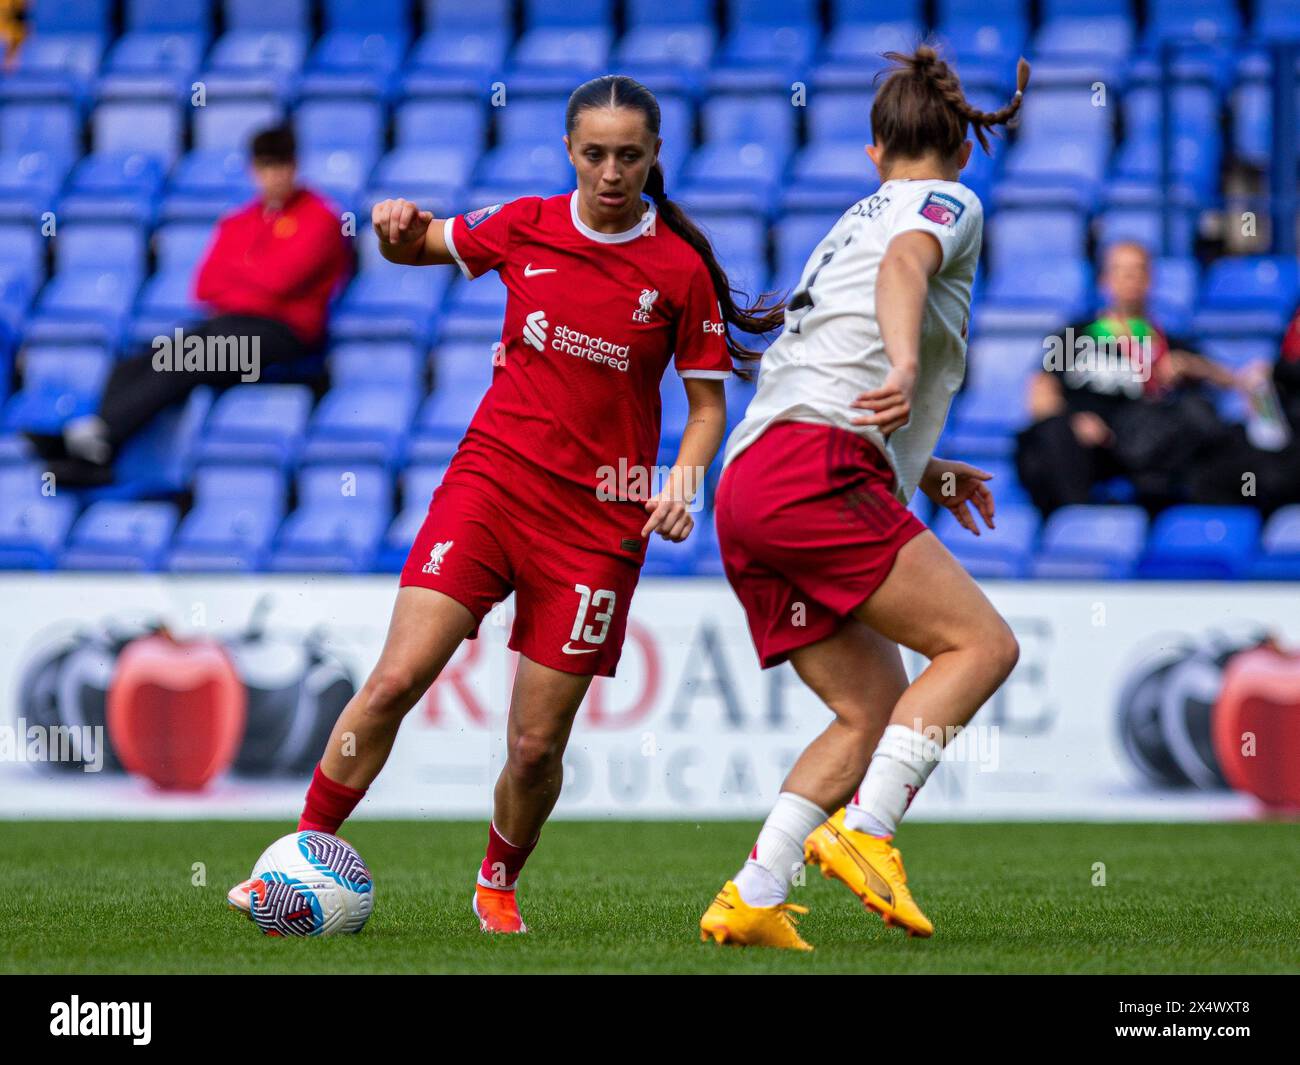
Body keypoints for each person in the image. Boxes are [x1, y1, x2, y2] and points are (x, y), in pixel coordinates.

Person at [227, 75, 781, 934]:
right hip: (491, 485)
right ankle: (299, 856)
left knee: (533, 749)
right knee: (393, 681)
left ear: (655, 157)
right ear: (569, 151)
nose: (609, 171)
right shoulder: (523, 224)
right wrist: (395, 229)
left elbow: (707, 406)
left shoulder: (677, 271)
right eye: (593, 153)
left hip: (599, 525)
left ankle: (496, 881)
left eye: (628, 155)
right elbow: (414, 249)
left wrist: (685, 476)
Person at [698, 46, 1026, 951]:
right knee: (983, 644)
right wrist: (911, 362)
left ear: (874, 151)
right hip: (817, 473)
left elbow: (831, 362)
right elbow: (905, 273)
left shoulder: (851, 217)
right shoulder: (949, 202)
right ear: (961, 150)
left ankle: (755, 890)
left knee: (871, 709)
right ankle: (870, 830)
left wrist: (923, 464)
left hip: (755, 480)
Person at [35, 124, 349, 485]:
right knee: (135, 364)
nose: (274, 176)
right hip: (229, 325)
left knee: (189, 359)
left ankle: (97, 440)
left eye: (281, 165)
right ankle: (97, 450)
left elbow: (280, 282)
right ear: (253, 169)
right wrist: (254, 279)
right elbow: (206, 284)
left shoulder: (320, 219)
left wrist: (243, 276)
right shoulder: (241, 219)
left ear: (295, 166)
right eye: (266, 166)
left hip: (281, 336)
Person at [1015, 241, 1271, 515]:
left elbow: (1229, 380)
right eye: (1120, 271)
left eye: (1137, 271)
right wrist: (1073, 421)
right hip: (1082, 445)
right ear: (1104, 281)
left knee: (1202, 422)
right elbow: (1040, 392)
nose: (1129, 279)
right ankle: (1077, 519)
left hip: (1138, 444)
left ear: (1149, 280)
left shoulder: (1163, 341)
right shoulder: (1075, 335)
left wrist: (1192, 367)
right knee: (1050, 433)